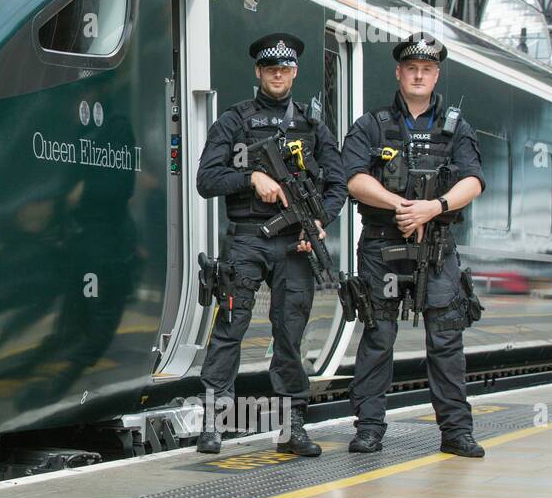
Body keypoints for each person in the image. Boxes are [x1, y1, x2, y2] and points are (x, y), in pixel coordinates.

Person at [194, 33, 347, 455]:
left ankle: (292, 427)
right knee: (230, 329)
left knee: (290, 335)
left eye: (285, 69)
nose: (278, 75)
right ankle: (213, 423)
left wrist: (319, 220)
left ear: (294, 72)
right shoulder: (234, 120)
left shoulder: (314, 125)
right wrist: (251, 179)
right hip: (246, 241)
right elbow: (206, 180)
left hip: (294, 246)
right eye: (270, 69)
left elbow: (338, 185)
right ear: (258, 72)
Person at [341, 33, 486, 458]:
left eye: (427, 69)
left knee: (445, 340)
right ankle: (368, 429)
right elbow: (353, 177)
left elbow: (473, 181)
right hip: (383, 245)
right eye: (411, 69)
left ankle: (456, 433)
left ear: (436, 75)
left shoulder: (457, 127)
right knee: (378, 335)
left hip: (436, 245)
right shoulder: (372, 123)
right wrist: (400, 204)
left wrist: (432, 208)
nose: (419, 75)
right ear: (399, 73)